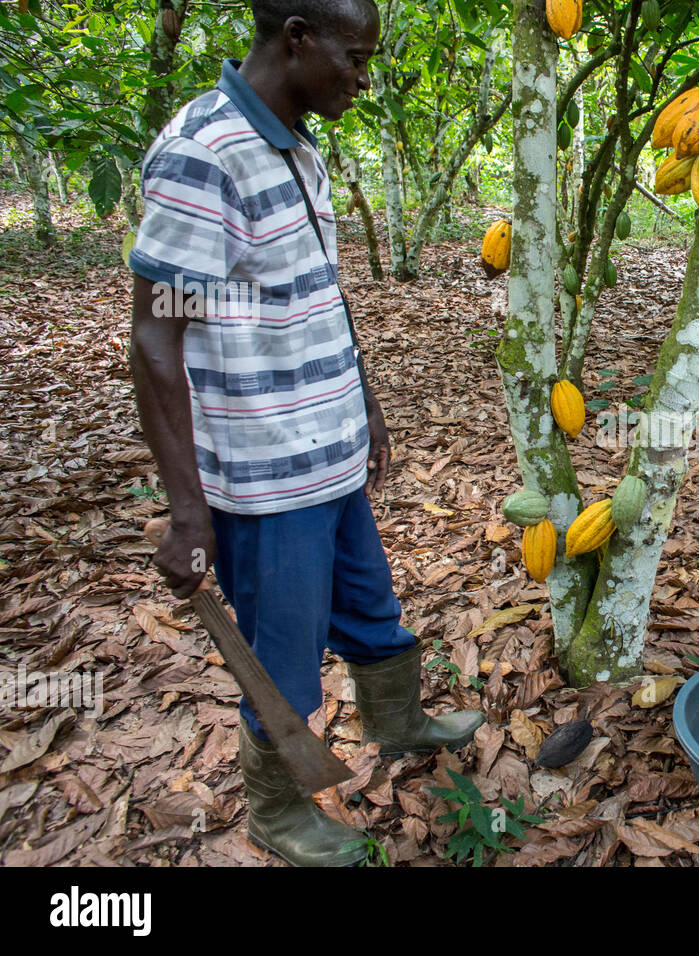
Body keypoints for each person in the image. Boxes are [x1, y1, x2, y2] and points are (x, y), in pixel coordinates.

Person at [128, 0, 482, 867]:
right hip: (261, 468)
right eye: (355, 58)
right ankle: (278, 811)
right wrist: (186, 511)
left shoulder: (295, 141)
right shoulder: (201, 153)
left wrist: (364, 400)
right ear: (297, 38)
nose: (364, 78)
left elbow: (313, 292)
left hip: (326, 446)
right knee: (283, 655)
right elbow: (153, 335)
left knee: (369, 607)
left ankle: (396, 719)